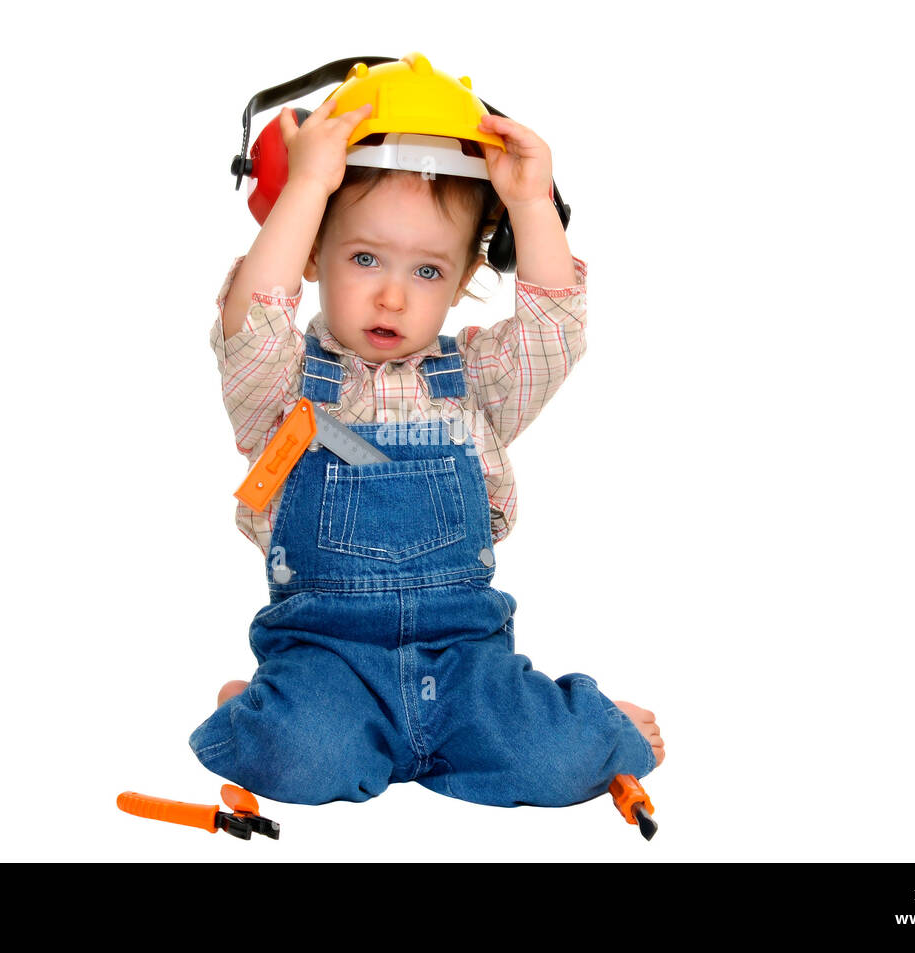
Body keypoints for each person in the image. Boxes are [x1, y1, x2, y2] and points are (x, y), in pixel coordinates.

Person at [189, 91, 665, 807]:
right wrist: (307, 186)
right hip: (329, 661)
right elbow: (249, 319)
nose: (392, 297)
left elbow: (552, 336)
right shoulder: (283, 384)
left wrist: (533, 206)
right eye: (364, 257)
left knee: (556, 761)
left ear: (466, 280)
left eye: (428, 271)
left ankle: (585, 723)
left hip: (469, 665)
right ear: (313, 251)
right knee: (300, 757)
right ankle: (266, 706)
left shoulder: (474, 382)